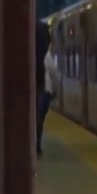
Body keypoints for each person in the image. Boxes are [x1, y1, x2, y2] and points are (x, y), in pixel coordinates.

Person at [36, 21, 55, 157]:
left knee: (37, 119)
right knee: (40, 119)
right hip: (45, 92)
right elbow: (54, 73)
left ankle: (35, 144)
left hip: (40, 90)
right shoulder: (47, 56)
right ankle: (37, 144)